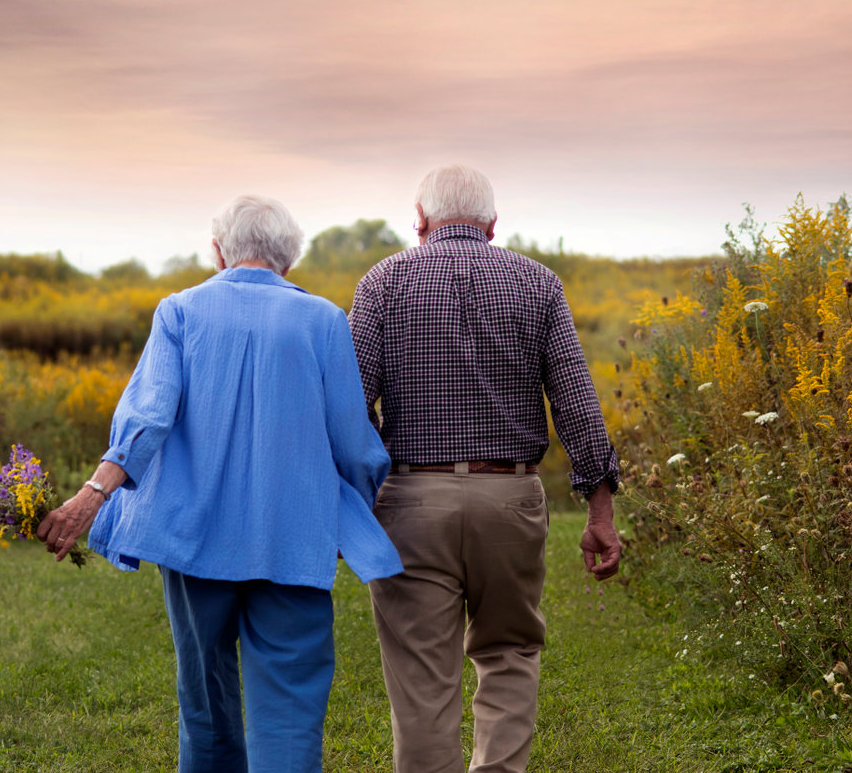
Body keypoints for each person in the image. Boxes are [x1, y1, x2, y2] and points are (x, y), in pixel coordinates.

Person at [38, 195, 402, 773]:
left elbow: (148, 417)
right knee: (288, 705)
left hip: (193, 540)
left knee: (204, 697)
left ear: (217, 252)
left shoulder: (179, 310)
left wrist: (94, 492)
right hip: (293, 538)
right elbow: (355, 445)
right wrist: (349, 512)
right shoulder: (326, 320)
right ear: (290, 258)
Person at [348, 165, 622, 773]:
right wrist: (600, 512)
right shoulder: (539, 284)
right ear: (493, 225)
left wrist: (356, 502)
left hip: (411, 499)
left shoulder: (382, 283)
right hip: (511, 498)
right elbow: (576, 403)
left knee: (422, 681)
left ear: (420, 222)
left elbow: (348, 407)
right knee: (509, 653)